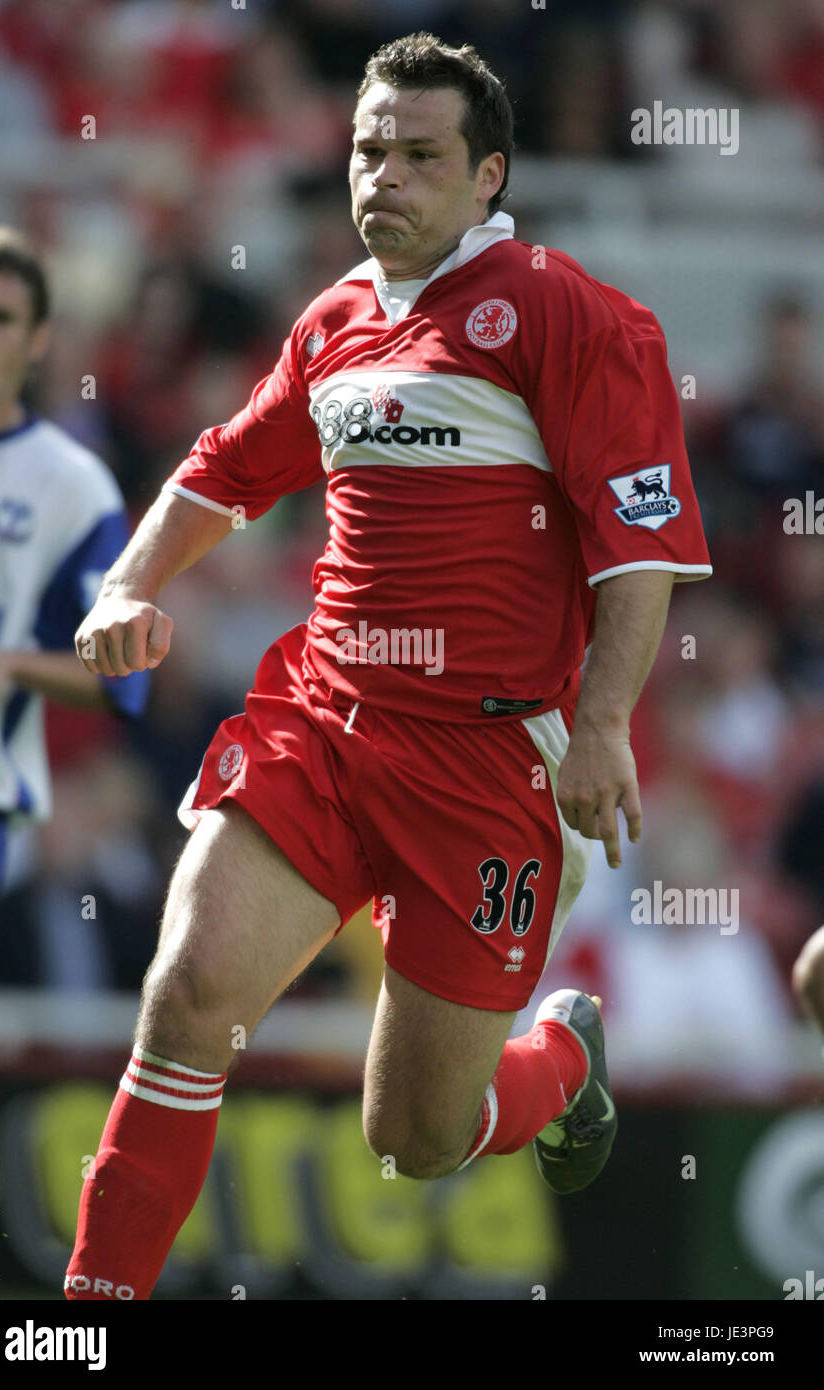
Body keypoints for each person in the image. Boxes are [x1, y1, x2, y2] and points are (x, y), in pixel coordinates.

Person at [65, 33, 711, 1302]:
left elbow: (641, 543)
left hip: (488, 765)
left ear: (487, 178)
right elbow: (223, 469)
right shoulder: (334, 323)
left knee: (412, 1139)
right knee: (189, 994)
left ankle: (562, 1064)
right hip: (326, 717)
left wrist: (601, 726)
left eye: (421, 157)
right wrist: (130, 580)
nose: (385, 178)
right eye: (369, 150)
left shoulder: (562, 312)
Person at [0, 223, 149, 977]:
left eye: (0, 320)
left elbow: (121, 674)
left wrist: (8, 666)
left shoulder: (72, 488)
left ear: (34, 342)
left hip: (12, 807)